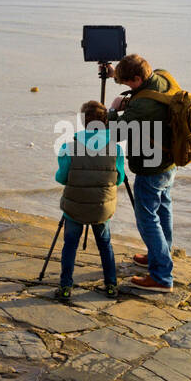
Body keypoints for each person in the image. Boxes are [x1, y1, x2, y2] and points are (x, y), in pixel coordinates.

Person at [105, 54, 177, 291]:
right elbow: (143, 99)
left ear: (137, 78)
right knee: (163, 209)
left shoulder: (143, 105)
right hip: (169, 161)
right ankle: (159, 255)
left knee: (147, 218)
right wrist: (115, 74)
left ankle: (161, 277)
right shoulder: (161, 76)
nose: (126, 88)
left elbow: (115, 133)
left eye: (127, 84)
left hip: (151, 167)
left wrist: (114, 110)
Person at [54, 101, 125, 302]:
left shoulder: (70, 146)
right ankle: (111, 285)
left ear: (84, 122)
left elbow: (61, 178)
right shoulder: (115, 148)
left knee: (70, 245)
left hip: (75, 206)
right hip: (102, 207)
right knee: (105, 244)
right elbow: (118, 178)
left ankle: (66, 287)